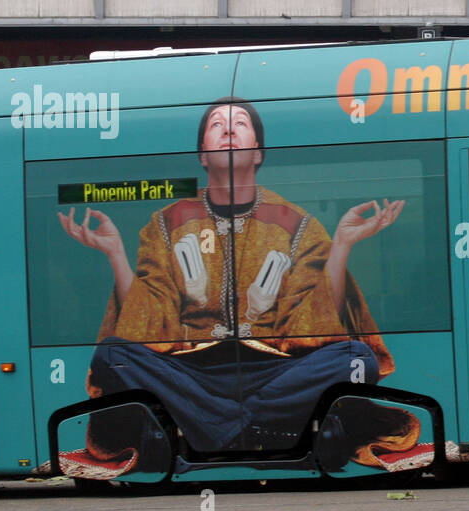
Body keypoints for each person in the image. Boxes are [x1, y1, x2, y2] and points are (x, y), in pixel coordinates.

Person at [58, 97, 412, 457]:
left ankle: (212, 427)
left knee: (356, 357)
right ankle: (257, 426)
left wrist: (342, 245)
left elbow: (315, 323)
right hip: (190, 374)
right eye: (216, 125)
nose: (228, 129)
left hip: (276, 372)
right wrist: (116, 253)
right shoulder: (166, 222)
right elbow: (150, 321)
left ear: (258, 152)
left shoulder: (298, 223)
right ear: (202, 156)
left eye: (240, 123)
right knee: (111, 356)